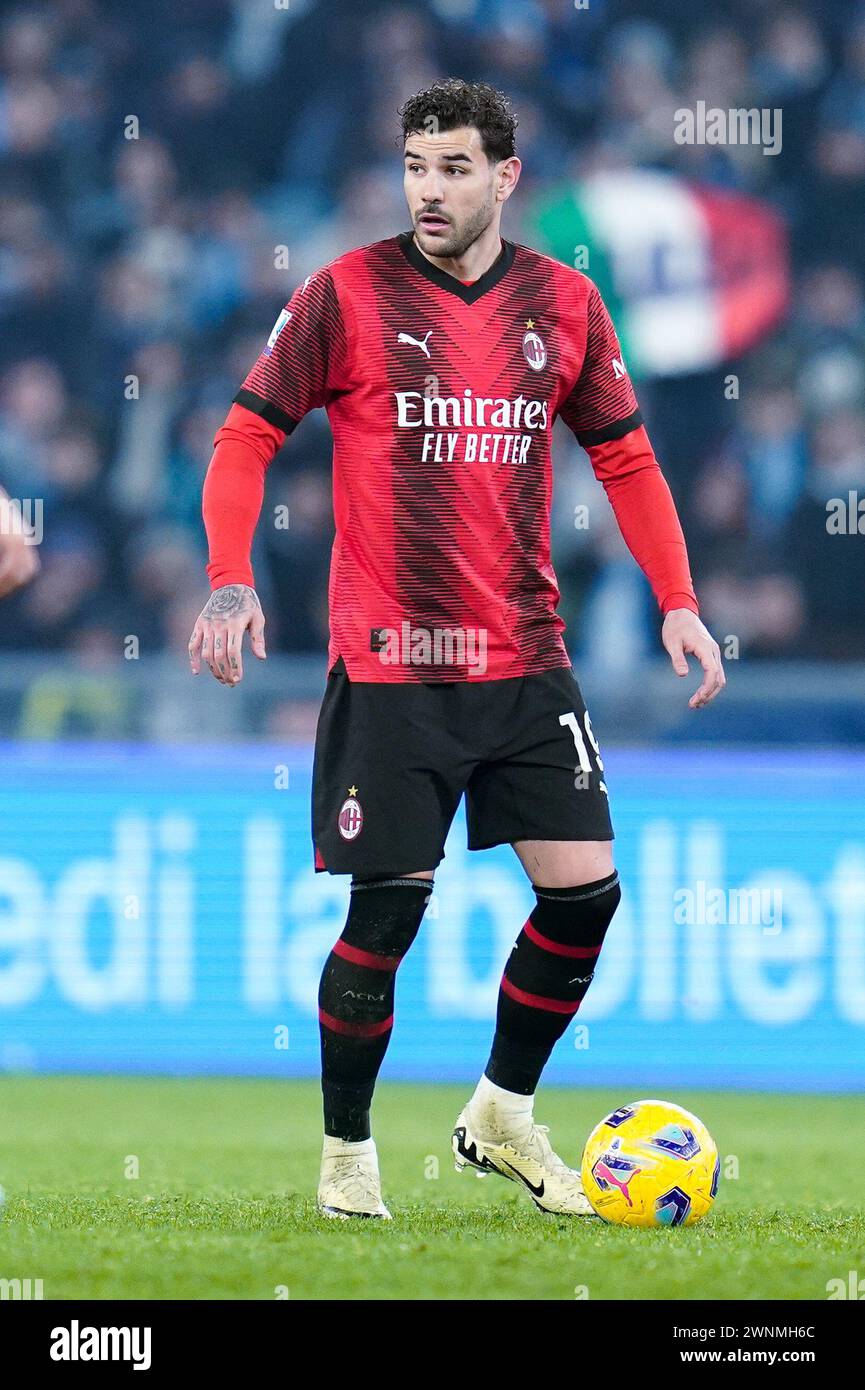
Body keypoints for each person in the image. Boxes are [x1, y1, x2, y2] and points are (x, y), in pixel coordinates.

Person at [190, 79, 725, 1220]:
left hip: (526, 656)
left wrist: (677, 598)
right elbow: (244, 436)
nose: (427, 190)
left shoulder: (565, 303)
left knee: (586, 898)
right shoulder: (344, 294)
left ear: (503, 178)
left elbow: (625, 459)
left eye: (451, 169)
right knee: (386, 915)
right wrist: (230, 578)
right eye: (414, 167)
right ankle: (346, 1157)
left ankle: (501, 1109)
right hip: (393, 661)